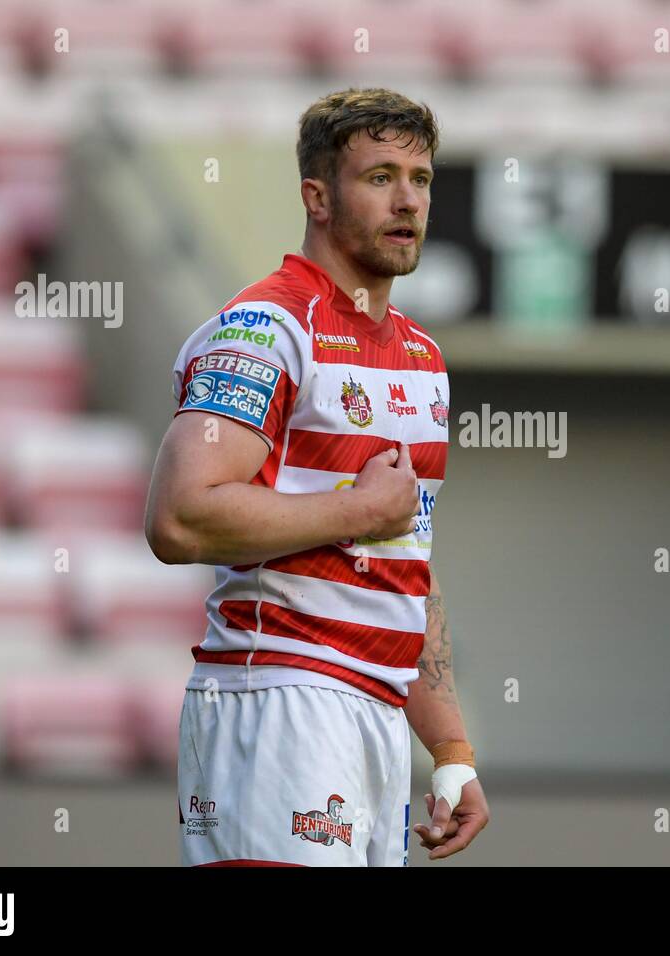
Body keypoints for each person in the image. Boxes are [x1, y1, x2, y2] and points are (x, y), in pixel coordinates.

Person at [145, 87, 488, 866]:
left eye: (422, 178)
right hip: (279, 699)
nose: (408, 200)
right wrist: (359, 510)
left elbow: (407, 566)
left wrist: (452, 749)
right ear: (318, 197)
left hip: (376, 717)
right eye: (380, 177)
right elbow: (178, 519)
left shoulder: (422, 362)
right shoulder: (263, 328)